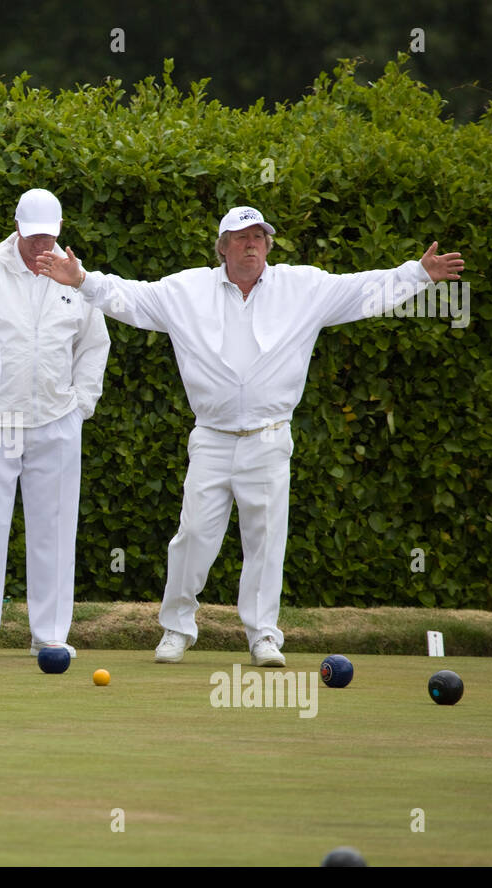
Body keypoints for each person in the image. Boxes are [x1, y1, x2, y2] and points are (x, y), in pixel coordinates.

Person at [39, 206, 464, 666]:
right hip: (212, 437)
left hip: (269, 436)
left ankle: (264, 635)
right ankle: (176, 628)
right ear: (222, 247)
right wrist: (82, 280)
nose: (251, 244)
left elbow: (362, 289)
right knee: (194, 537)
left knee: (265, 540)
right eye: (241, 237)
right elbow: (131, 297)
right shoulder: (186, 290)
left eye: (259, 236)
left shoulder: (303, 287)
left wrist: (417, 274)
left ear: (268, 244)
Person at [0, 189, 110, 657]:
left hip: (57, 420)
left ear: (60, 229)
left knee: (55, 528)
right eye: (33, 237)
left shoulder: (74, 277)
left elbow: (93, 345)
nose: (41, 247)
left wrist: (81, 403)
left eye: (49, 236)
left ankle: (49, 635)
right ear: (16, 228)